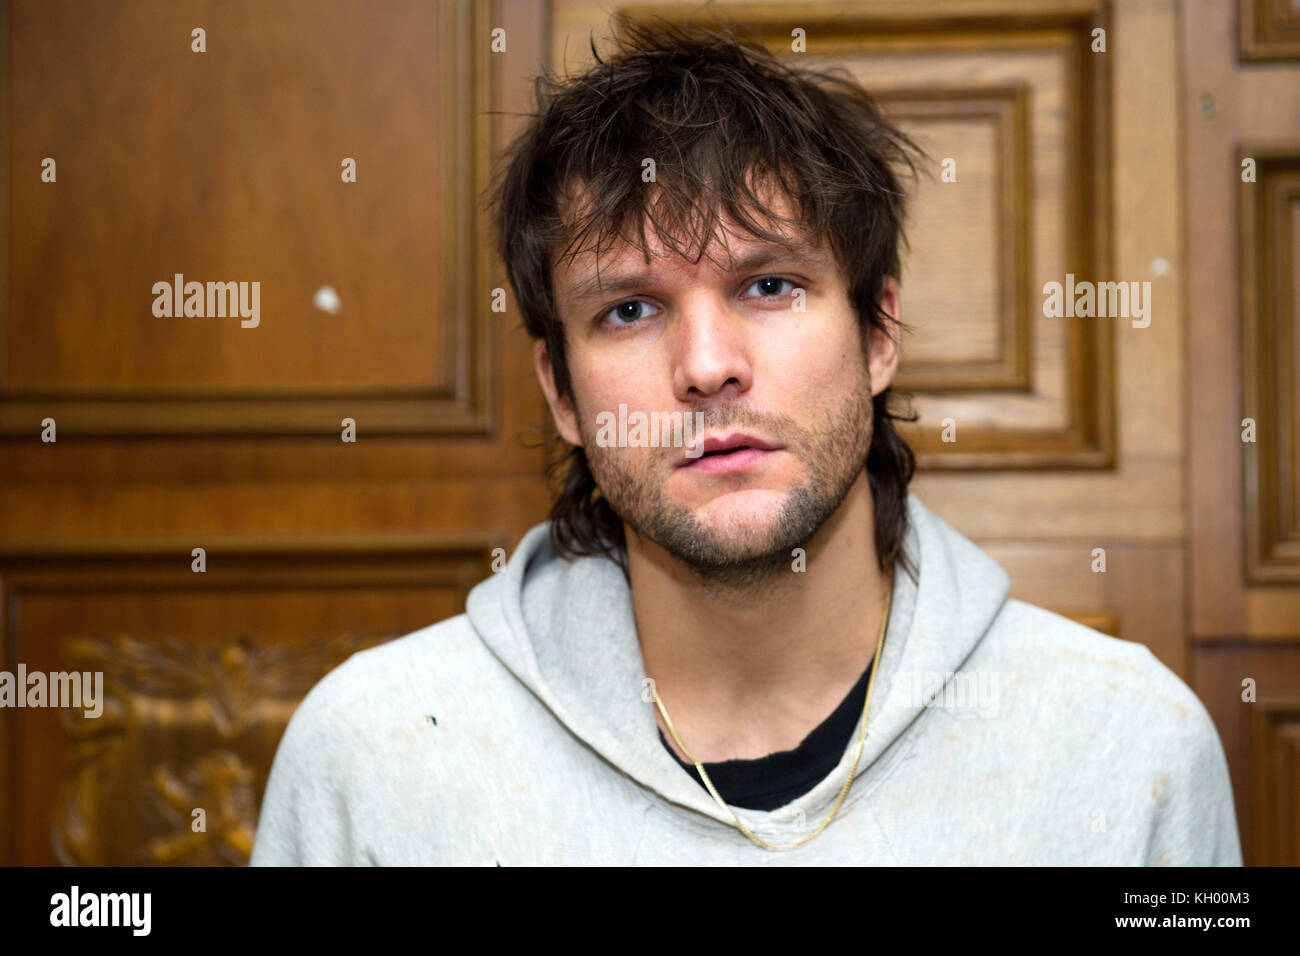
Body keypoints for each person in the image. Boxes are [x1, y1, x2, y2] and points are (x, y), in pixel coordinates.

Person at [250, 23, 1241, 865]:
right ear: (560, 391)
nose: (707, 365)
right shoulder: (374, 758)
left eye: (769, 285)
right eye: (629, 308)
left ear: (878, 333)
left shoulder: (1126, 746)